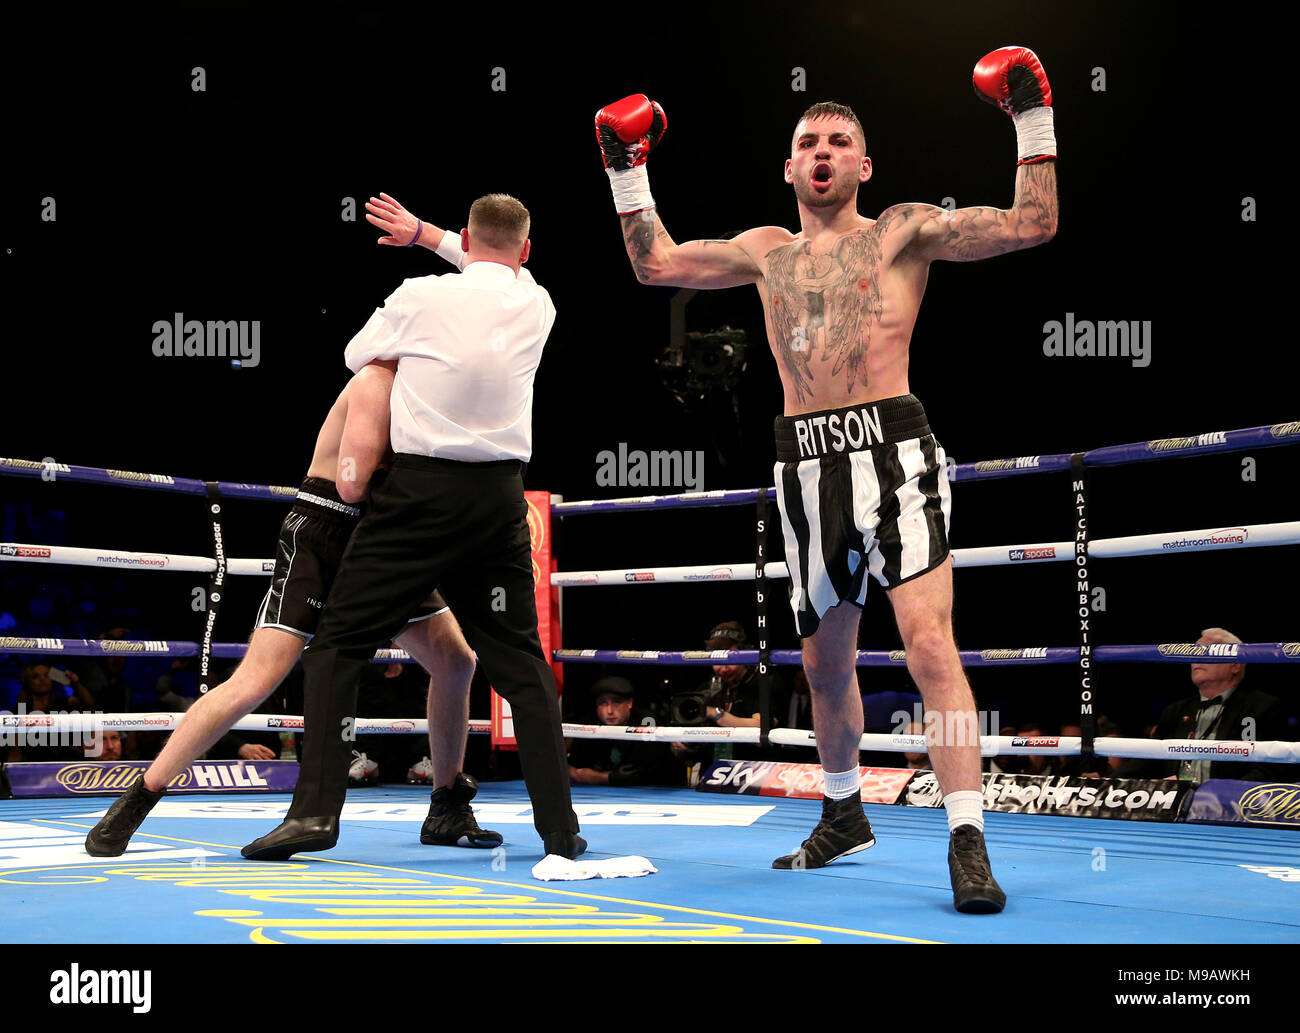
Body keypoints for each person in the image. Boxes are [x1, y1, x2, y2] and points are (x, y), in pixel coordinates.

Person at [596, 46, 1058, 912]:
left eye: (839, 141)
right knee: (825, 666)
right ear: (788, 166)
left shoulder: (906, 229)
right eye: (809, 140)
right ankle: (843, 809)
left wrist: (1032, 116)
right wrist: (627, 169)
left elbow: (1032, 224)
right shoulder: (763, 252)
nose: (822, 152)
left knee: (928, 644)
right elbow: (654, 265)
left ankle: (967, 837)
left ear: (863, 164)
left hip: (895, 450)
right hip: (803, 463)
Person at [86, 206, 497, 856]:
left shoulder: (426, 395)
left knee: (457, 659)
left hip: (383, 543)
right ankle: (140, 797)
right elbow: (357, 481)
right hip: (325, 533)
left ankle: (447, 801)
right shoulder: (378, 380)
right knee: (256, 678)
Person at [242, 193, 585, 862]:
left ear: (465, 236)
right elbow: (493, 262)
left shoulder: (419, 297)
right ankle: (560, 829)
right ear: (527, 252)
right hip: (498, 501)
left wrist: (428, 244)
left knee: (338, 647)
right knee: (520, 662)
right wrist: (433, 236)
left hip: (418, 497)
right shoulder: (536, 304)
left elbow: (359, 356)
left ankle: (315, 815)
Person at [1115, 628, 1287, 784]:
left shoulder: (1261, 707)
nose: (1196, 658)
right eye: (1194, 652)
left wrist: (1216, 793)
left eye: (1206, 651)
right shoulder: (1175, 711)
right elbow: (1147, 760)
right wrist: (1104, 783)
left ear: (1235, 665)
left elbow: (1270, 770)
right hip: (1175, 806)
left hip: (1229, 808)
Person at [568, 676, 674, 786]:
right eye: (603, 703)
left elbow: (647, 774)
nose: (609, 711)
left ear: (629, 703)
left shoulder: (647, 722)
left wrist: (600, 777)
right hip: (597, 794)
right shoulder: (589, 724)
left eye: (616, 702)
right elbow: (576, 769)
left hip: (648, 792)